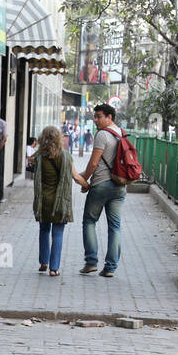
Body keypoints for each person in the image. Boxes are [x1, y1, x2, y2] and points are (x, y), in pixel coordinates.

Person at [76, 103, 128, 278]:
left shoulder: (102, 135)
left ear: (109, 117)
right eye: (95, 116)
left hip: (101, 185)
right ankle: (110, 268)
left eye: (99, 116)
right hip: (119, 186)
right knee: (115, 227)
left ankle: (91, 262)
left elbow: (93, 163)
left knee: (89, 221)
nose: (96, 120)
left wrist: (84, 180)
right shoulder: (121, 133)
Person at [33, 125, 75, 277]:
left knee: (44, 230)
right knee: (57, 234)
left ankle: (44, 261)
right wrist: (87, 185)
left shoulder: (39, 157)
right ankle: (54, 268)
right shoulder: (64, 156)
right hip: (59, 202)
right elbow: (74, 176)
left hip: (43, 202)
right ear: (58, 138)